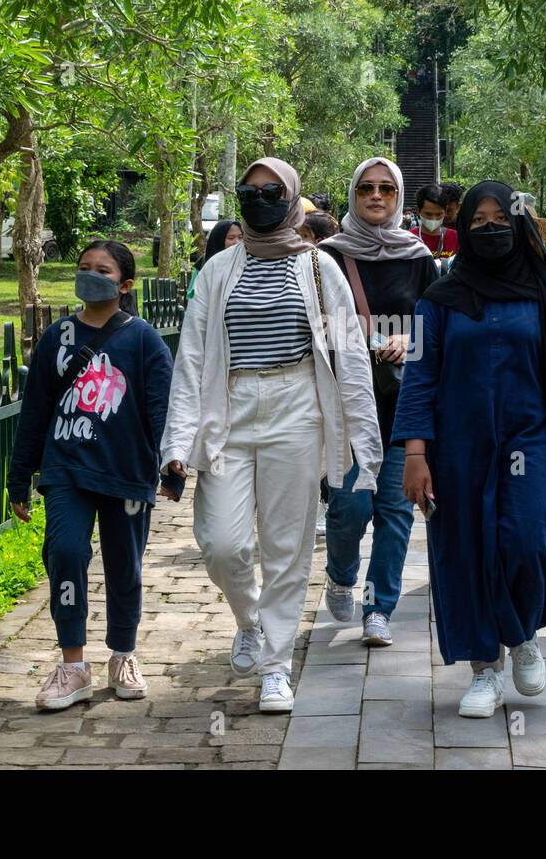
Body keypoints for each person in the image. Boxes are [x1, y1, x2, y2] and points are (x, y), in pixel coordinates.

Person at [158, 157, 381, 713]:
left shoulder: (319, 267)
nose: (259, 198)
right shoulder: (216, 271)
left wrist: (363, 442)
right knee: (222, 542)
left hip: (296, 407)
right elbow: (190, 359)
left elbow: (350, 355)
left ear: (292, 196)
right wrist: (177, 444)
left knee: (287, 545)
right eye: (248, 190)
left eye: (271, 190)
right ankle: (249, 621)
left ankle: (277, 666)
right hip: (227, 409)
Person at [395, 180, 546, 718]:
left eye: (498, 218)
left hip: (534, 440)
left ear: (518, 222)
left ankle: (523, 634)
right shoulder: (441, 297)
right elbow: (420, 377)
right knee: (467, 551)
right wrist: (416, 455)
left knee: (528, 541)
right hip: (459, 446)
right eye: (477, 221)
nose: (489, 229)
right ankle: (485, 668)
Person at [7, 240, 174, 711]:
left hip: (126, 472)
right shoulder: (56, 336)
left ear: (125, 284)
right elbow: (35, 410)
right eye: (83, 268)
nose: (90, 275)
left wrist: (171, 465)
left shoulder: (144, 340)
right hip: (66, 468)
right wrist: (19, 476)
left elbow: (164, 411)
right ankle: (73, 664)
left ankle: (123, 654)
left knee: (126, 566)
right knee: (65, 552)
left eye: (102, 270)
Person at [318, 157, 438, 646]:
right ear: (352, 192)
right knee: (349, 509)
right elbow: (310, 326)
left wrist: (408, 343)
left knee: (395, 509)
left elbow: (436, 330)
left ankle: (378, 608)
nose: (376, 196)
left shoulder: (417, 258)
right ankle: (342, 573)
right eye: (366, 187)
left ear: (398, 197)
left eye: (387, 189)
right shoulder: (325, 257)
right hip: (345, 404)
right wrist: (354, 341)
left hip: (400, 401)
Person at [187, 220, 242, 300]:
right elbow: (191, 296)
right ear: (219, 239)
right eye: (231, 238)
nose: (237, 242)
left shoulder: (246, 263)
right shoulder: (204, 264)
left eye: (240, 237)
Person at [407, 183, 460, 256]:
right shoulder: (408, 238)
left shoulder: (456, 238)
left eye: (439, 214)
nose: (433, 219)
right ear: (418, 210)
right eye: (428, 214)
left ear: (445, 211)